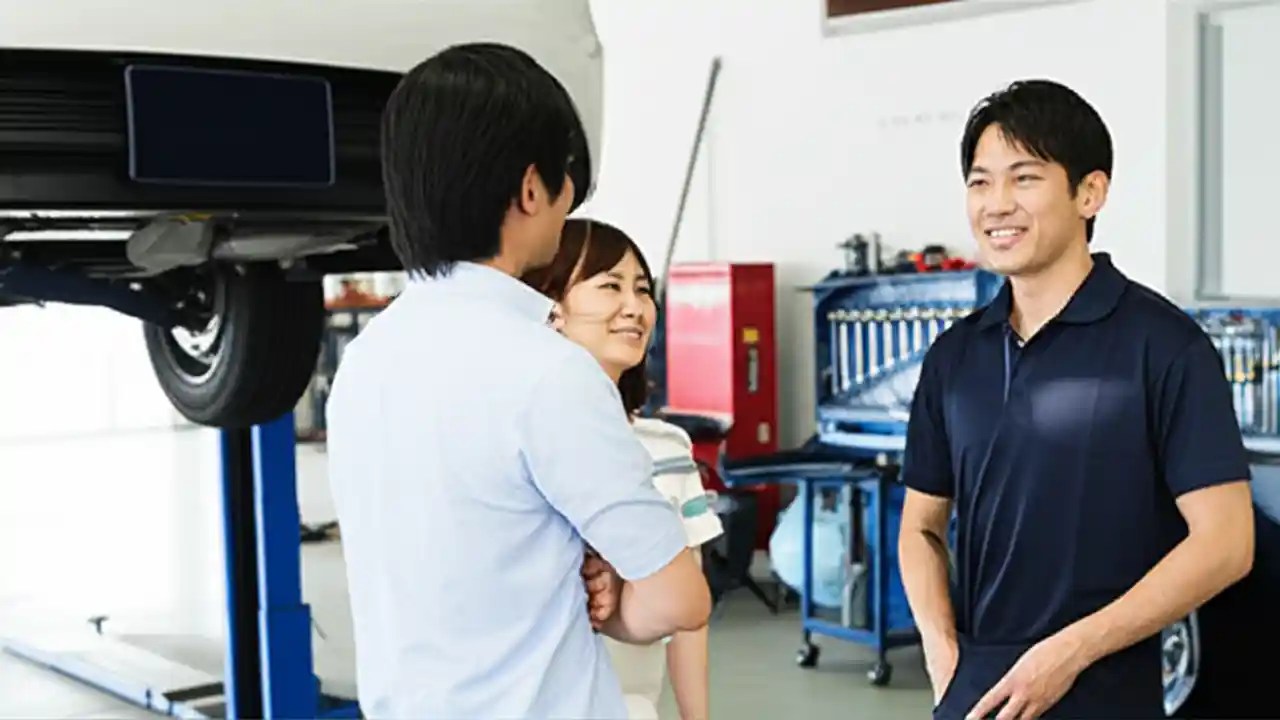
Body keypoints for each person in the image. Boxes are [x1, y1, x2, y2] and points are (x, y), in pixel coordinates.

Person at [324, 43, 711, 719]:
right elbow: (680, 599)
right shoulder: (547, 370)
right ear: (532, 189)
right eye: (566, 189)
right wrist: (612, 591)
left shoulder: (367, 359)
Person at [898, 79, 1256, 720]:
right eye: (981, 182)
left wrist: (1071, 652)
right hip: (977, 693)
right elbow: (921, 524)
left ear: (1090, 192)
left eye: (1024, 178)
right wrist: (941, 652)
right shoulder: (954, 355)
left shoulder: (1164, 346)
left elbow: (1227, 541)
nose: (997, 204)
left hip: (1107, 691)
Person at [522, 218, 724, 720]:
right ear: (551, 308)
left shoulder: (667, 446)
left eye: (642, 289)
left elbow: (690, 614)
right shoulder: (517, 436)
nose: (634, 307)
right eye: (610, 285)